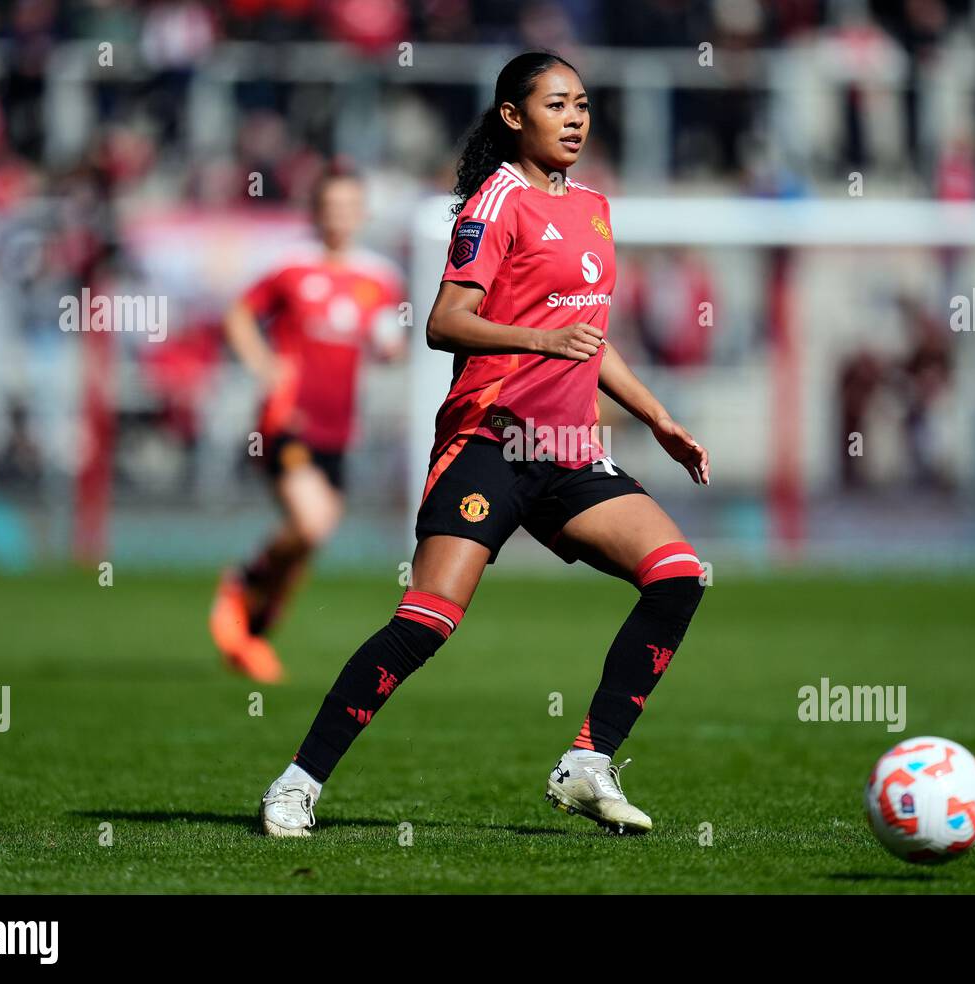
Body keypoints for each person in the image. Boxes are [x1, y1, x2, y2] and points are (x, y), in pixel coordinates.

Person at [258, 51, 710, 837]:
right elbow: (444, 323)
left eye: (582, 104)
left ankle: (588, 763)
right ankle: (296, 784)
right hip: (490, 442)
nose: (575, 118)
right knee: (426, 621)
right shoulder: (494, 204)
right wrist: (539, 338)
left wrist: (659, 418)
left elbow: (590, 340)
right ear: (513, 117)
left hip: (569, 450)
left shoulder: (595, 207)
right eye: (556, 104)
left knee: (677, 576)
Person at [209, 162, 405, 683]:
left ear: (361, 213)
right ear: (315, 211)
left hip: (339, 429)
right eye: (329, 206)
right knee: (312, 521)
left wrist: (393, 346)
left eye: (348, 206)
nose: (338, 216)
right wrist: (264, 365)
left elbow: (391, 343)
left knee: (309, 541)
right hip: (287, 419)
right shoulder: (292, 267)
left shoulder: (379, 279)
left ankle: (254, 631)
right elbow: (238, 315)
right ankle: (242, 582)